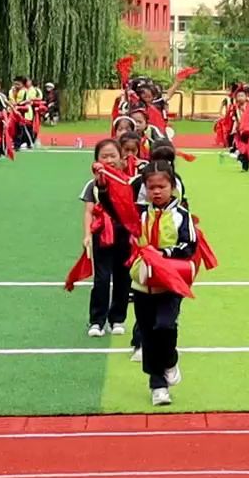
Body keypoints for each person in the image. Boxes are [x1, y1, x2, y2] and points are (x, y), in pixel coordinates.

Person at [133, 165, 195, 406]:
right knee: (147, 334)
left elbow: (189, 245)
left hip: (170, 283)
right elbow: (115, 208)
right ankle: (158, 385)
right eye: (151, 187)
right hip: (143, 284)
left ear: (173, 188)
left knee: (165, 326)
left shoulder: (181, 215)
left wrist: (163, 254)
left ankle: (170, 360)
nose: (157, 192)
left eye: (162, 186)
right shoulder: (139, 215)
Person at [80, 139, 137, 338]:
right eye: (104, 156)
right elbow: (88, 211)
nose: (109, 160)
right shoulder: (93, 185)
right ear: (97, 160)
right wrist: (87, 235)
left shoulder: (129, 182)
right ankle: (97, 320)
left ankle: (117, 319)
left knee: (123, 277)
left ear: (121, 158)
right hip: (102, 234)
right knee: (102, 278)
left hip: (125, 235)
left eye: (113, 155)